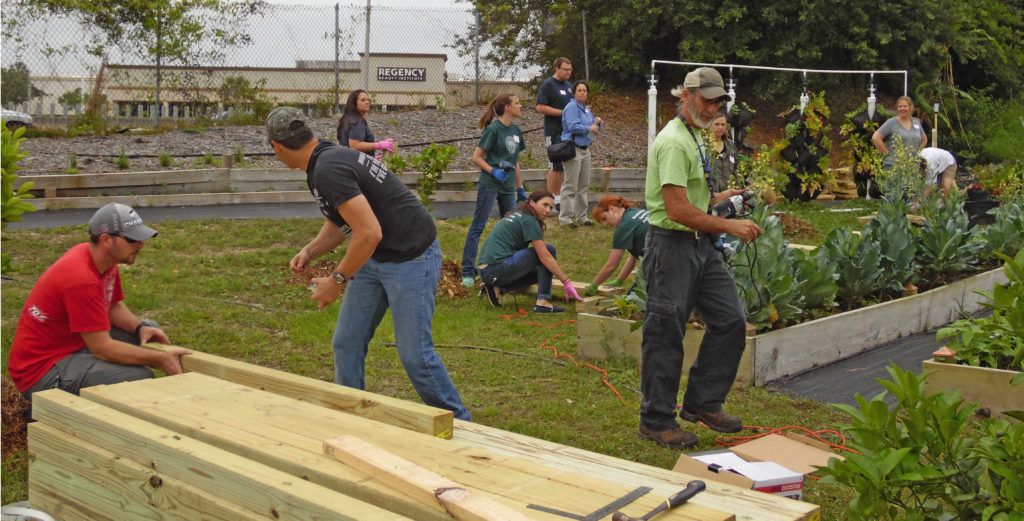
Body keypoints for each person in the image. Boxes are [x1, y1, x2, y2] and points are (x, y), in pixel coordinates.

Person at [267, 106, 471, 421]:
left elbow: (368, 233)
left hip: (411, 255)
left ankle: (461, 427)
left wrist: (336, 282)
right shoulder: (324, 160)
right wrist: (310, 250)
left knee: (415, 355)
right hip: (376, 257)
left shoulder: (327, 169)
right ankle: (352, 420)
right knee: (347, 343)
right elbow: (344, 220)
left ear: (276, 147)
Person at [639, 67, 763, 449]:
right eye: (707, 100)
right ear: (686, 96)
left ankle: (702, 403)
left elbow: (692, 201)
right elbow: (675, 210)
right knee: (665, 334)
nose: (712, 108)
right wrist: (729, 227)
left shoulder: (695, 136)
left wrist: (723, 200)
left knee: (730, 320)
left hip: (699, 246)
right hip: (672, 247)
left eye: (718, 102)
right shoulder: (675, 142)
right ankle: (657, 421)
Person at [8, 203, 190, 401]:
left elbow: (111, 305)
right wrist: (160, 359)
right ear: (106, 240)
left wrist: (140, 327)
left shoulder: (103, 261)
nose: (140, 245)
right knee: (137, 377)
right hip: (40, 374)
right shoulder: (81, 279)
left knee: (148, 333)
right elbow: (102, 349)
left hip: (72, 346)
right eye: (132, 239)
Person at [476, 190, 584, 313]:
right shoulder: (529, 220)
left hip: (487, 271)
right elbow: (545, 256)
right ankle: (542, 302)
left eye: (551, 207)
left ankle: (496, 287)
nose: (548, 211)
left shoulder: (520, 215)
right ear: (532, 202)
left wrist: (543, 278)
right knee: (549, 250)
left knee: (542, 270)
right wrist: (566, 281)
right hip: (496, 268)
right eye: (545, 205)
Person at [460, 94, 528, 287]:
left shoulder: (516, 130)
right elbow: (476, 157)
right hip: (490, 184)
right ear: (507, 107)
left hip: (508, 188)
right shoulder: (493, 130)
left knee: (510, 228)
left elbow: (516, 162)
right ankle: (468, 271)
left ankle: (509, 269)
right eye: (517, 103)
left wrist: (520, 188)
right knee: (478, 226)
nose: (520, 105)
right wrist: (493, 171)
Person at [559, 80, 602, 228]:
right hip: (573, 149)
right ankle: (565, 218)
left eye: (585, 90)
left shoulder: (586, 109)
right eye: (580, 90)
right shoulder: (571, 107)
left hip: (586, 149)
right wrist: (589, 127)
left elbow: (592, 125)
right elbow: (573, 126)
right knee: (570, 184)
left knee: (583, 185)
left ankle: (582, 216)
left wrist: (597, 122)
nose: (583, 93)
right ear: (574, 92)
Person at [585, 196, 648, 296]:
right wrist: (619, 280)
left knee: (632, 303)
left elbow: (611, 265)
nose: (606, 223)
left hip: (662, 264)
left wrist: (594, 285)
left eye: (605, 218)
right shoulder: (634, 212)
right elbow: (633, 257)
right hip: (673, 252)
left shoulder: (623, 226)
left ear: (612, 209)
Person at [536, 57, 573, 213]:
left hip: (568, 132)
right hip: (553, 130)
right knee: (555, 164)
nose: (569, 72)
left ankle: (560, 199)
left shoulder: (570, 86)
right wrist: (564, 113)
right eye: (565, 69)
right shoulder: (548, 85)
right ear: (557, 68)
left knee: (566, 163)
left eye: (570, 70)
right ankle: (550, 200)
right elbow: (540, 107)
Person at [871, 95, 927, 172]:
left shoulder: (916, 123)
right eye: (900, 106)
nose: (902, 109)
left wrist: (917, 152)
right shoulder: (891, 123)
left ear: (910, 108)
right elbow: (876, 137)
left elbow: (924, 139)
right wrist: (886, 153)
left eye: (905, 106)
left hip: (912, 167)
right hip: (894, 167)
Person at [337, 89, 394, 156]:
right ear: (354, 104)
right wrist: (379, 145)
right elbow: (355, 146)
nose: (367, 102)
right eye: (363, 100)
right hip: (356, 164)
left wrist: (373, 158)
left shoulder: (347, 119)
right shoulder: (356, 121)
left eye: (368, 100)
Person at [709, 113, 740, 193]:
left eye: (723, 124)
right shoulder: (704, 145)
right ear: (710, 125)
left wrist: (738, 189)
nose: (720, 127)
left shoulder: (731, 145)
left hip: (729, 193)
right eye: (716, 124)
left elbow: (736, 169)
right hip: (710, 194)